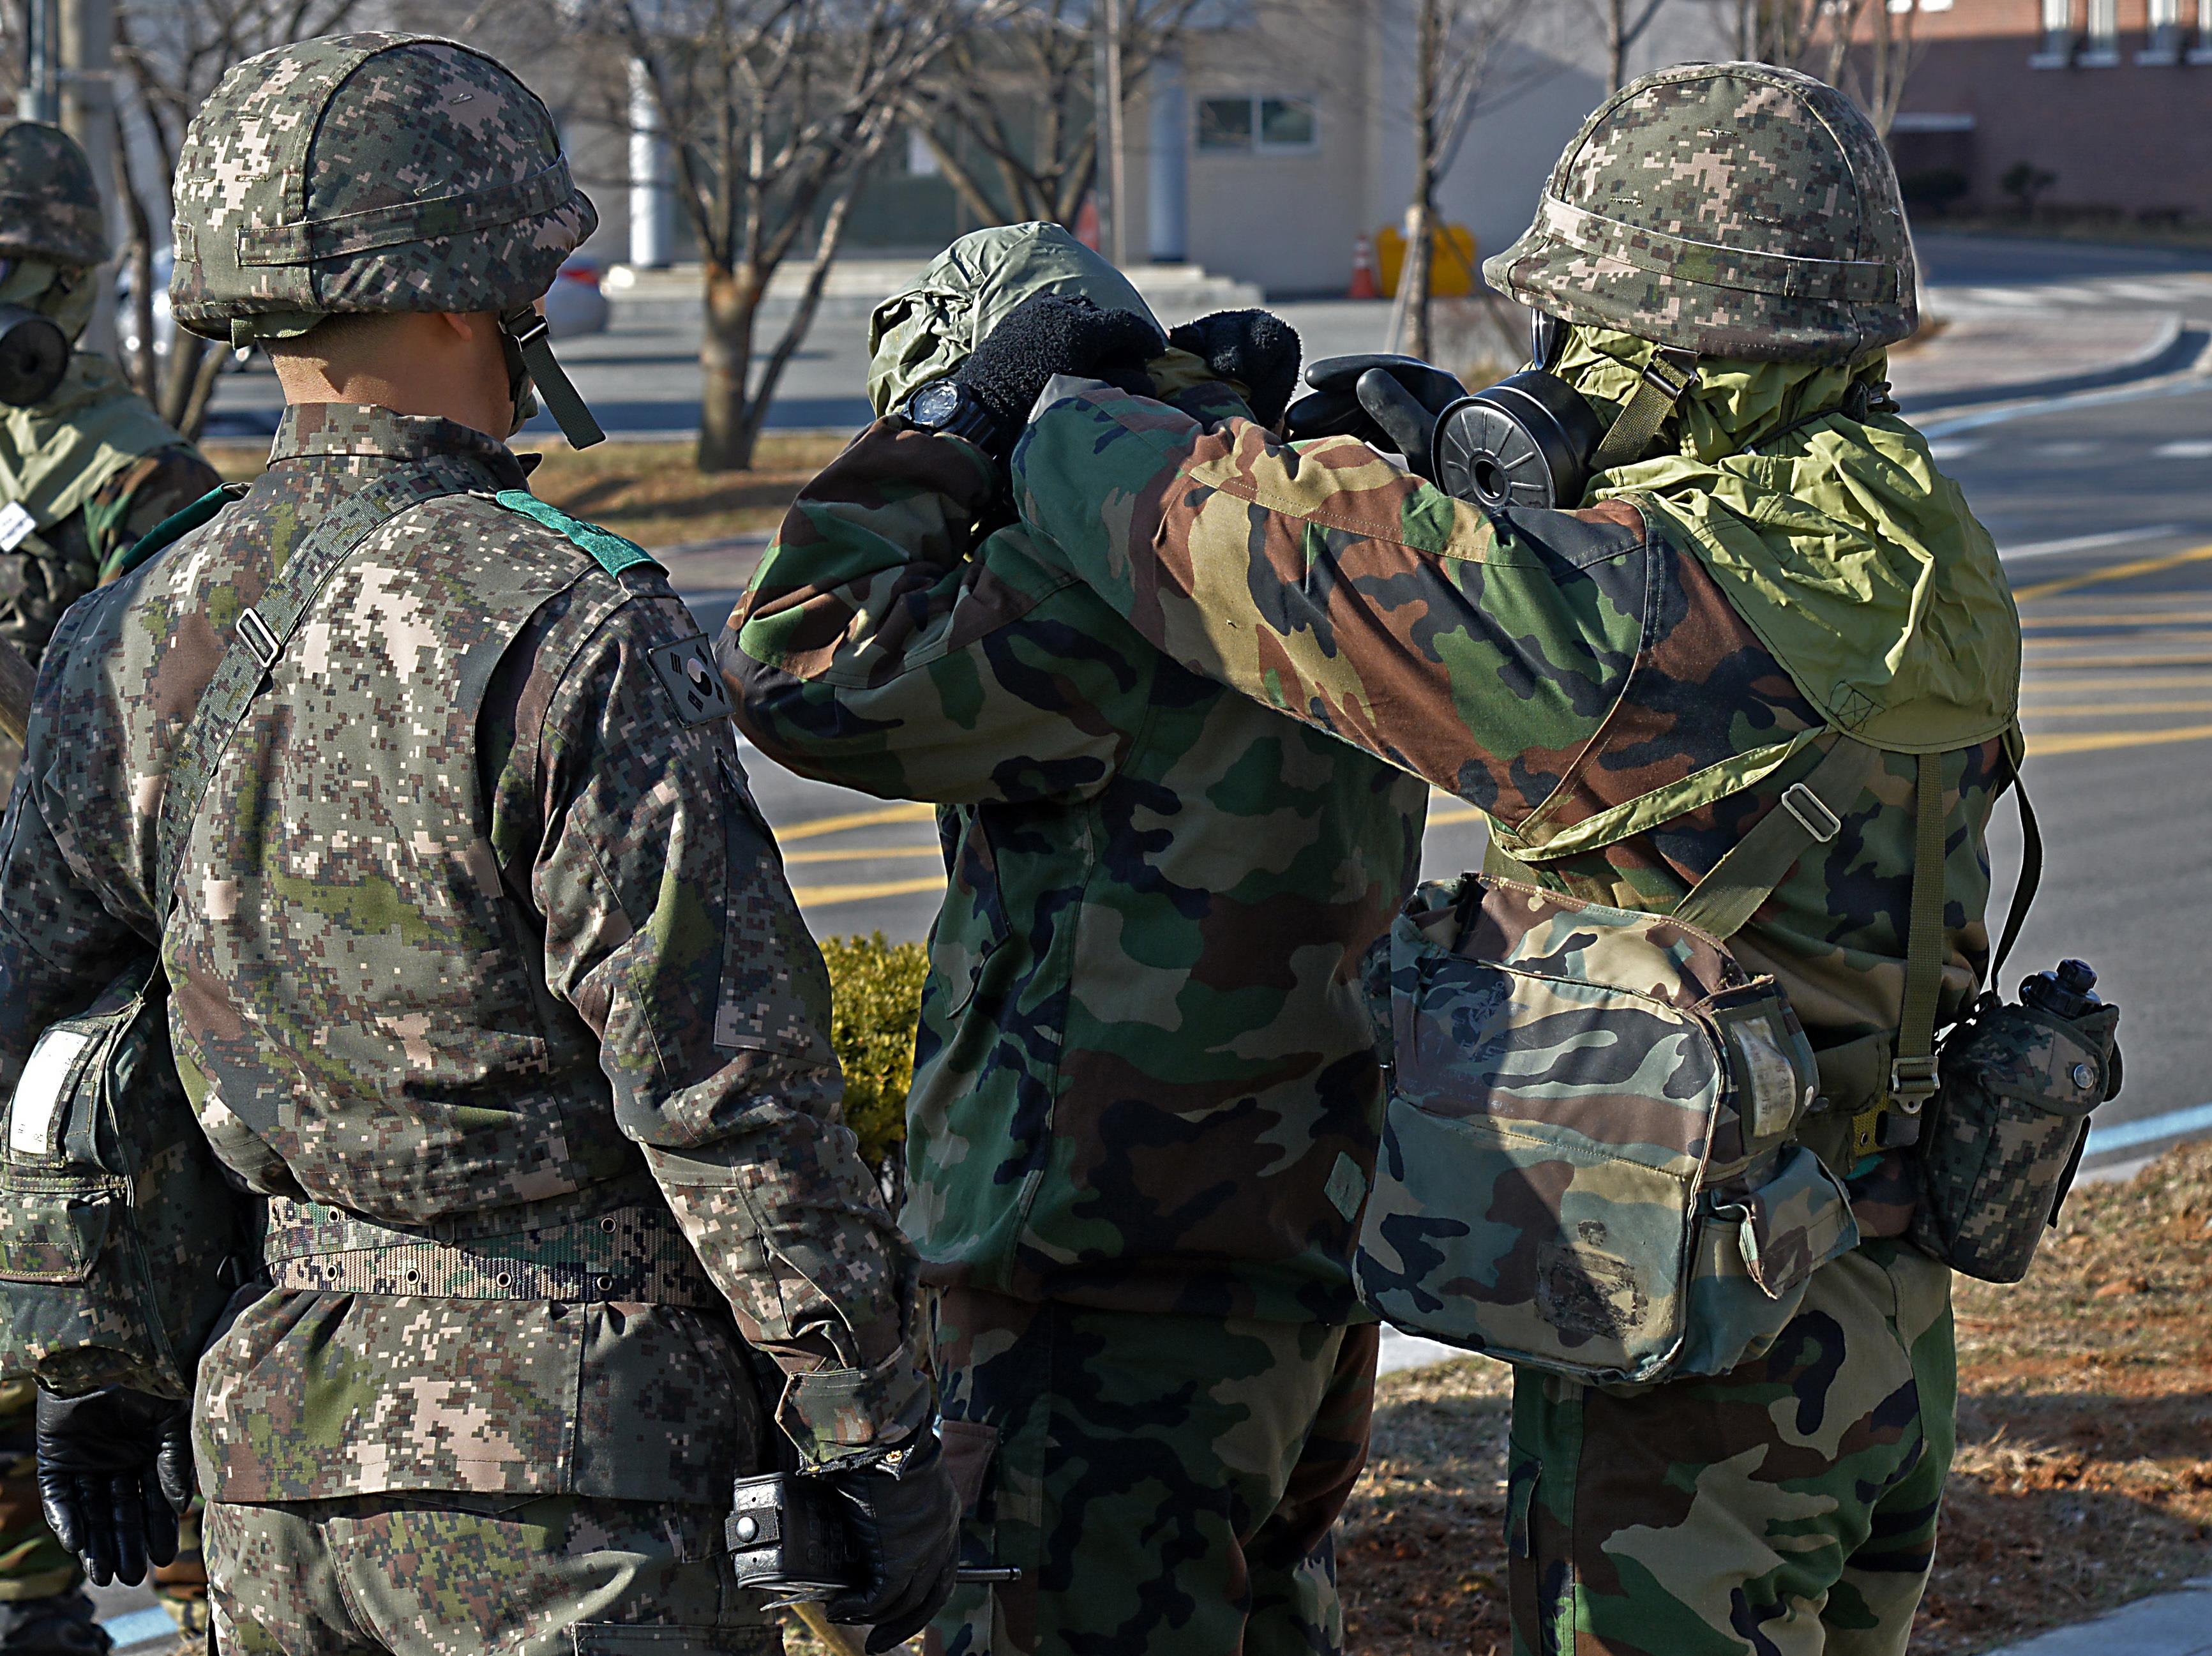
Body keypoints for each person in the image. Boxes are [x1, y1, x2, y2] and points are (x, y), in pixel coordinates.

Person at [980, 64, 2022, 1656]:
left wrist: (1050, 407)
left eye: (1580, 337)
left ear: (1671, 350)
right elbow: (1692, 575)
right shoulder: (1908, 530)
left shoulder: (1627, 625)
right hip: (1882, 1310)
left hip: (1703, 1370)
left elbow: (1248, 552)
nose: (1553, 373)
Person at [0, 33, 954, 1656]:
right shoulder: (567, 619)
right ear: (467, 288)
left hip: (273, 1454)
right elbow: (724, 1078)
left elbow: (62, 1029)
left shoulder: (131, 621)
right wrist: (866, 1418)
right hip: (575, 1469)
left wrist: (96, 1359)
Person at [719, 223, 1429, 1656]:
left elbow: (793, 661)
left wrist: (950, 423)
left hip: (1098, 1292)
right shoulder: (1290, 540)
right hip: (1306, 1253)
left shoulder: (1087, 583)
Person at [0, 119, 220, 1656]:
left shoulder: (121, 468)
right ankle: (34, 1600)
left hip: (86, 962)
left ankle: (206, 1592)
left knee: (116, 1287)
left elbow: (195, 714)